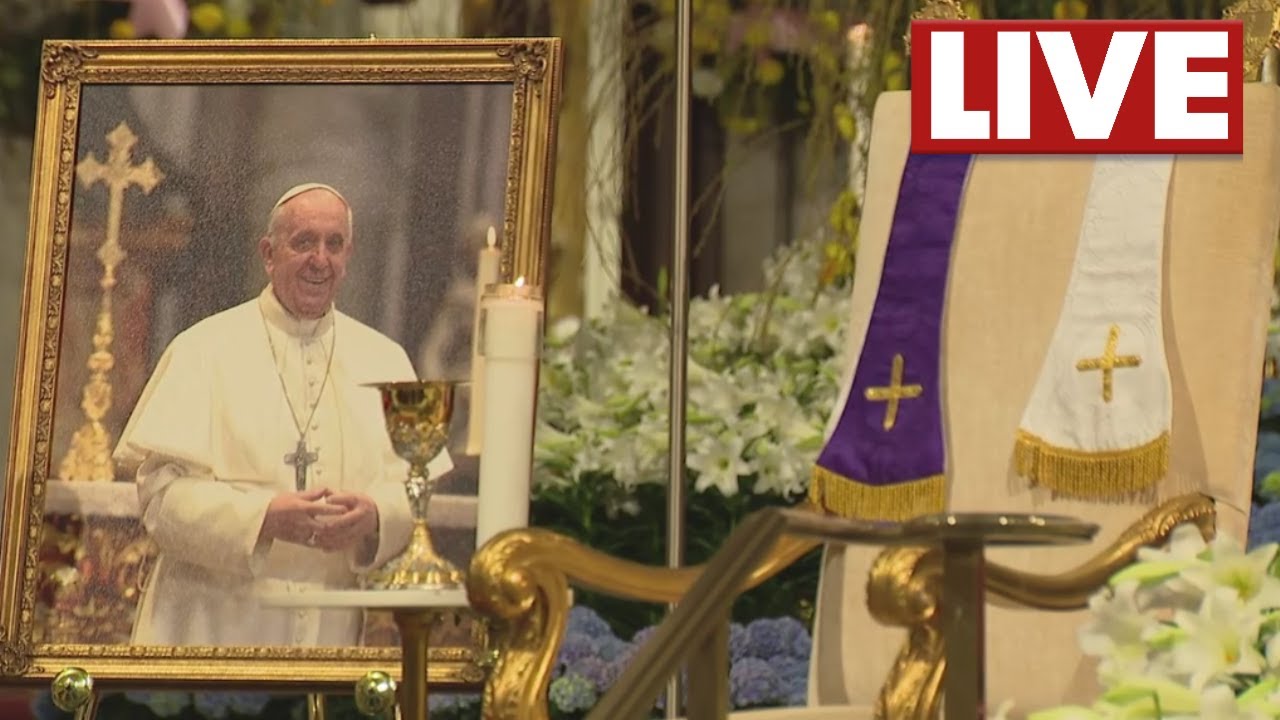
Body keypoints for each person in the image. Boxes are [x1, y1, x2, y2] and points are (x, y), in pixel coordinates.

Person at [114, 183, 452, 647]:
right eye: (303, 242)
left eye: (334, 244)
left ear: (348, 255)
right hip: (209, 627)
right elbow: (160, 501)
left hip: (328, 630)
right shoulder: (203, 350)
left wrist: (375, 514)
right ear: (268, 254)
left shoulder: (385, 360)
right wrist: (263, 517)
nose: (320, 259)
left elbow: (415, 488)